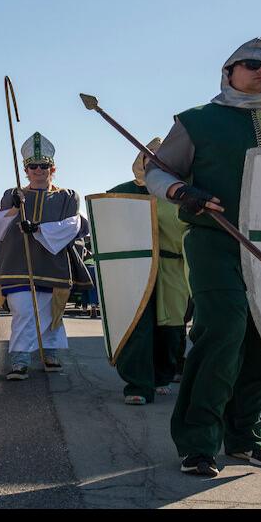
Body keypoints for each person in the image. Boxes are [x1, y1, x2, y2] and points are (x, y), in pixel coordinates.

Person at [143, 38, 261, 477]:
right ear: (229, 70)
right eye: (252, 64)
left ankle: (246, 434)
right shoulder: (198, 121)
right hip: (215, 238)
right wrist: (182, 190)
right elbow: (157, 169)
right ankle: (198, 441)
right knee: (223, 327)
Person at [0, 132, 92, 380]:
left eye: (43, 166)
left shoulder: (68, 196)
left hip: (52, 265)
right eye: (32, 166)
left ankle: (50, 352)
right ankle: (20, 359)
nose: (38, 170)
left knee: (49, 311)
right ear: (26, 169)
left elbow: (73, 224)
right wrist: (14, 206)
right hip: (18, 264)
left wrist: (39, 230)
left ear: (52, 168)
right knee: (24, 310)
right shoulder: (13, 194)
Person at [107, 138, 189, 405]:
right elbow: (108, 225)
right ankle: (138, 385)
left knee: (170, 327)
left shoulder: (180, 193)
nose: (154, 162)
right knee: (138, 325)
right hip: (134, 270)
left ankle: (162, 376)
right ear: (140, 162)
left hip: (172, 266)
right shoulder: (122, 192)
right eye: (149, 158)